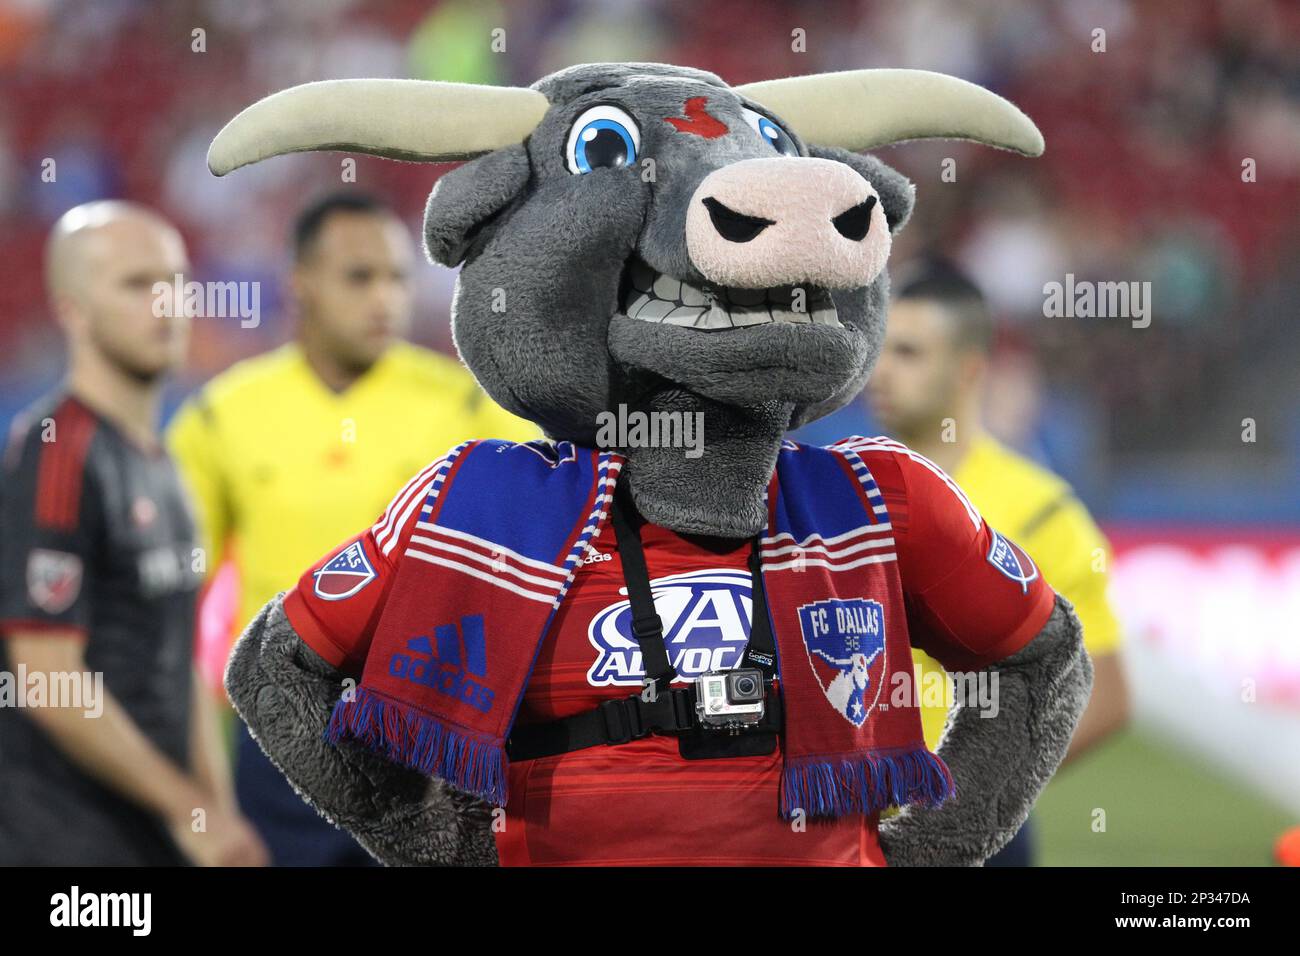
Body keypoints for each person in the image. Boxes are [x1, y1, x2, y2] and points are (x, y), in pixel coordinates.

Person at [167, 191, 535, 866]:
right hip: (278, 731)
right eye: (359, 277)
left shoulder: (464, 406)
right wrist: (199, 794)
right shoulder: (224, 415)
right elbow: (169, 604)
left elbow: (548, 557)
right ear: (300, 283)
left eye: (398, 278)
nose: (385, 299)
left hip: (428, 733)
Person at [0, 200, 267, 866]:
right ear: (72, 310)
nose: (167, 303)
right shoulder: (57, 451)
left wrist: (219, 815)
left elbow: (181, 666)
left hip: (160, 843)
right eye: (137, 284)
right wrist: (191, 808)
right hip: (69, 850)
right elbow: (43, 676)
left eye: (176, 281)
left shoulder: (166, 467)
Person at [868, 260, 1130, 865]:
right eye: (878, 348)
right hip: (841, 818)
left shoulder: (1041, 513)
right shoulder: (827, 486)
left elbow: (1107, 698)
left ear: (968, 369)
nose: (881, 371)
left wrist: (978, 789)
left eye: (907, 353)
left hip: (975, 836)